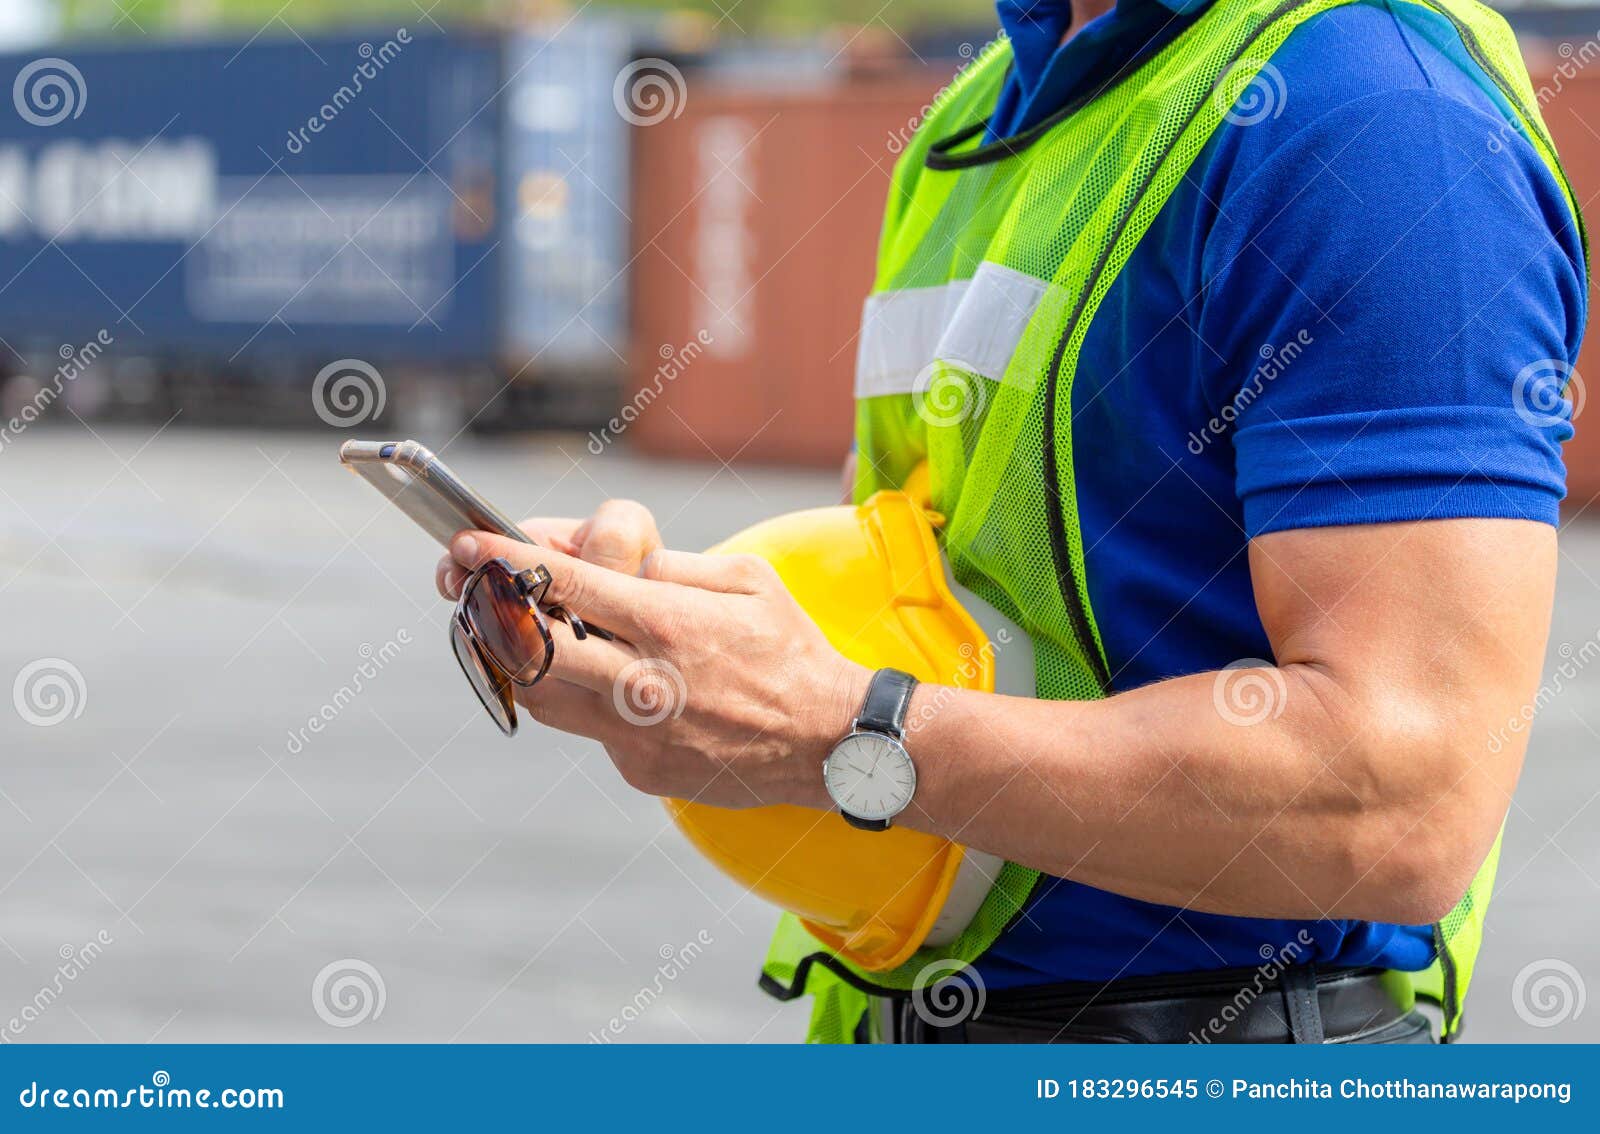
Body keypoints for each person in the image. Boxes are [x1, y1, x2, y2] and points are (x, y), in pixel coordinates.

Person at [435, 0, 1585, 1043]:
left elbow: (1402, 799)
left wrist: (839, 730)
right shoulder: (982, 113)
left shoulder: (1374, 121)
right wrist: (687, 637)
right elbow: (948, 587)